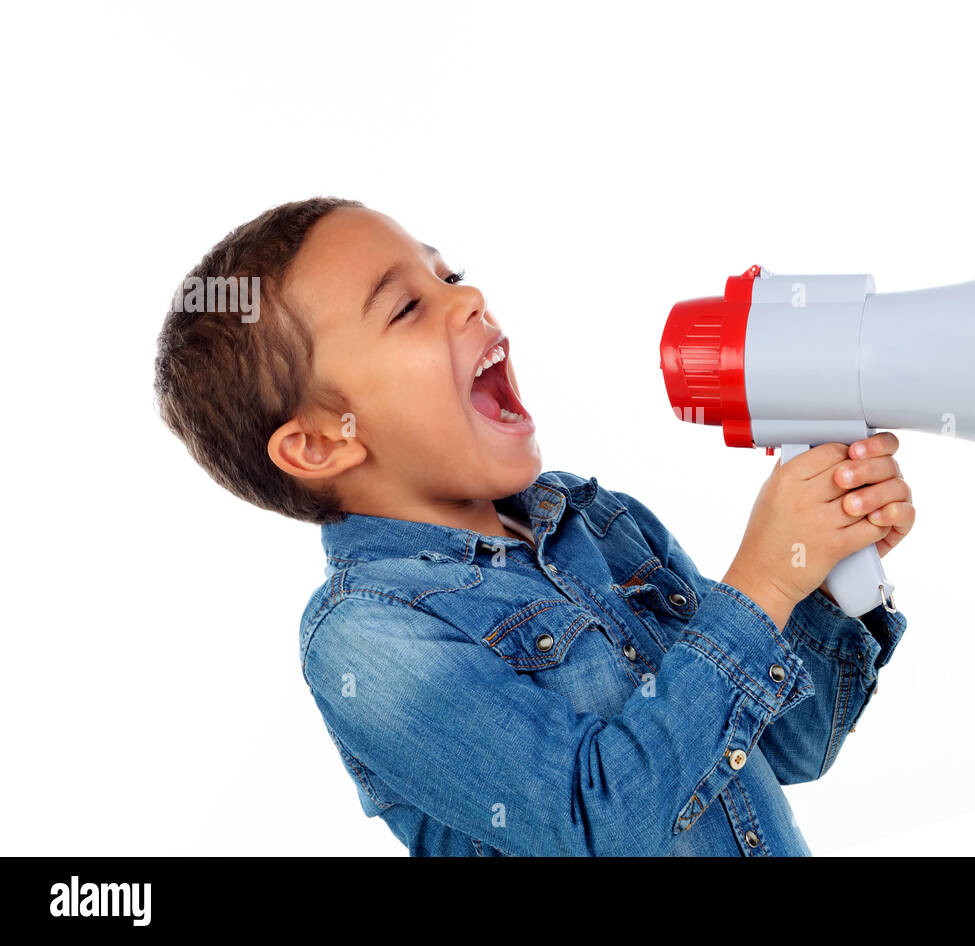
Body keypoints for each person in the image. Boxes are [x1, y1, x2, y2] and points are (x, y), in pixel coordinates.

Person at [154, 197, 915, 856]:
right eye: (407, 308)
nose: (468, 296)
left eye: (448, 276)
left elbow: (788, 743)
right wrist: (762, 585)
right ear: (321, 443)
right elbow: (601, 827)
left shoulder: (595, 520)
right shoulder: (366, 633)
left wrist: (822, 578)